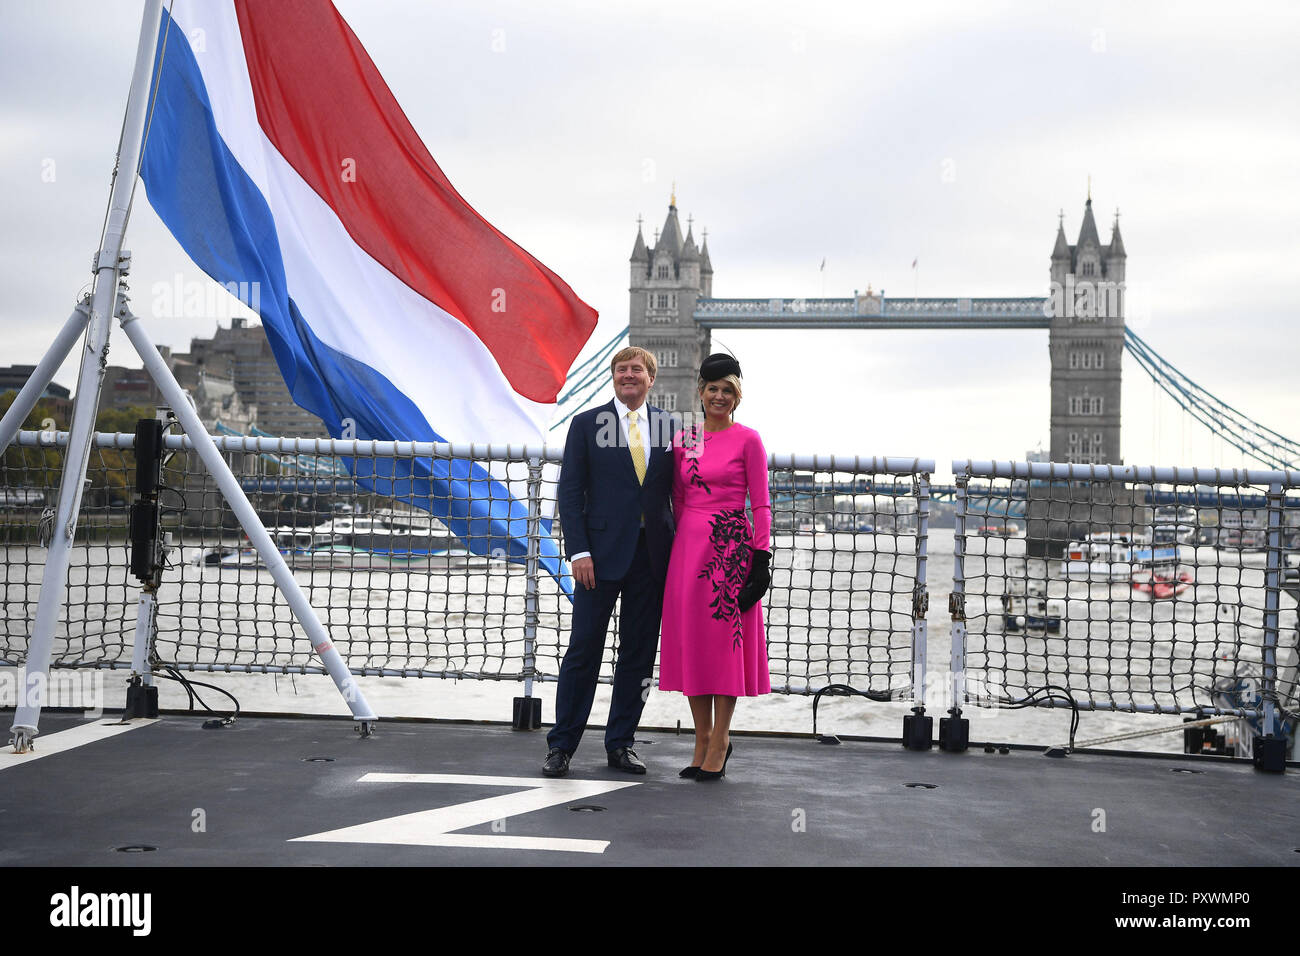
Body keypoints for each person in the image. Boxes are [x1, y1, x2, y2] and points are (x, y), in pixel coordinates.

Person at [543, 346, 676, 777]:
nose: (628, 375)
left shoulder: (671, 428)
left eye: (637, 370)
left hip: (652, 557)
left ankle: (621, 743)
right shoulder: (586, 425)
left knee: (638, 655)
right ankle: (561, 745)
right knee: (583, 649)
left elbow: (684, 495)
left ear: (651, 378)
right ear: (613, 378)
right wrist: (578, 551)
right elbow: (570, 492)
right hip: (596, 558)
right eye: (621, 370)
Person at [658, 353, 772, 781]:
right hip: (689, 550)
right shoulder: (682, 440)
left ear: (736, 396)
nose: (719, 396)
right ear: (700, 393)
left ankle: (721, 738)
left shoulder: (749, 440)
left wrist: (761, 559)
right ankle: (700, 738)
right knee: (694, 643)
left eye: (727, 390)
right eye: (713, 389)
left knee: (726, 645)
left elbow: (760, 504)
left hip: (732, 551)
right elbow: (678, 501)